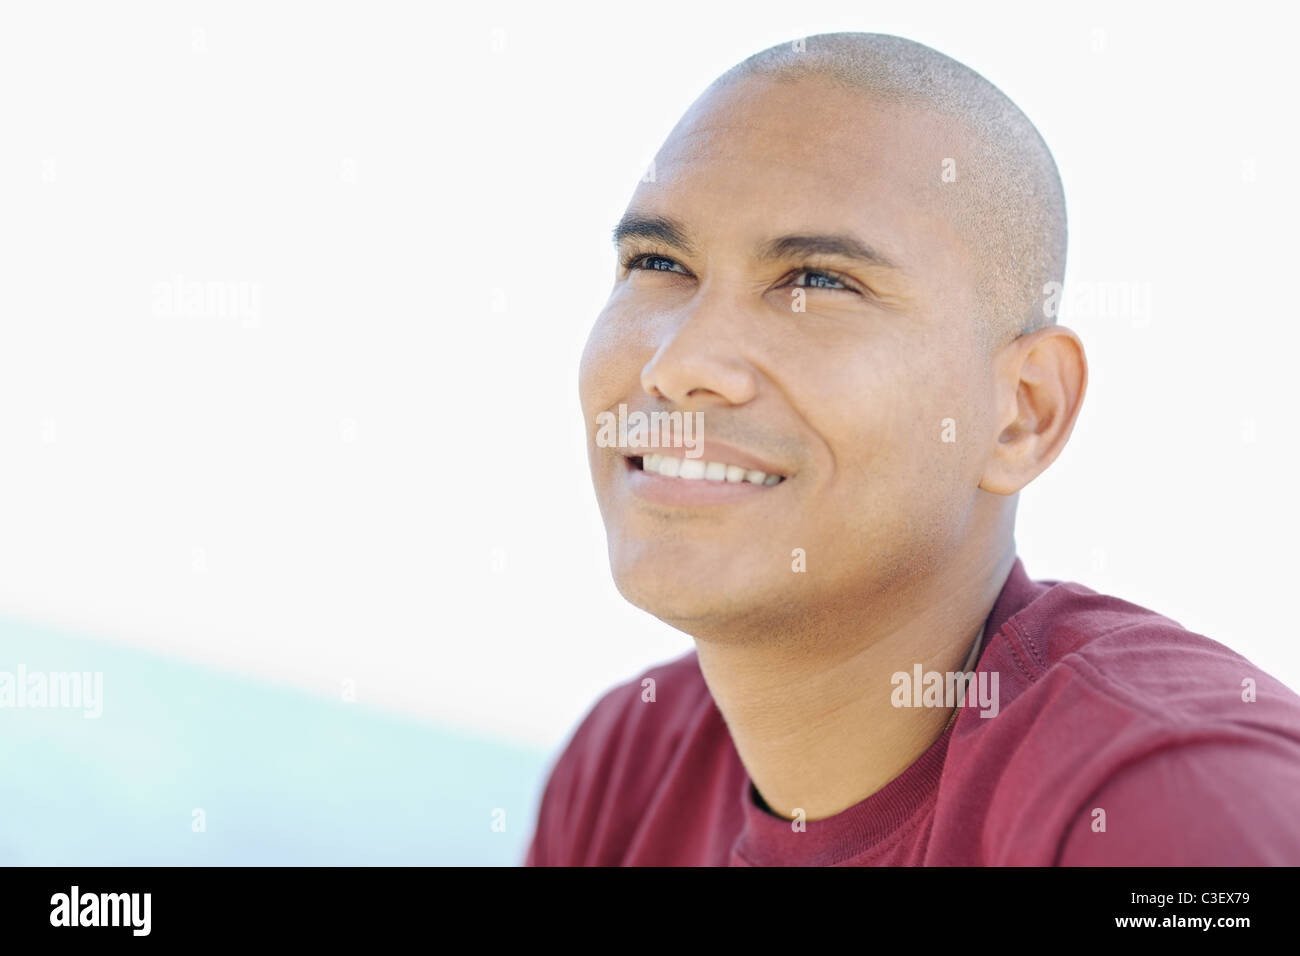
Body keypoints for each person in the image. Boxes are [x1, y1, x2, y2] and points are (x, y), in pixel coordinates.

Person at [526, 32, 1300, 866]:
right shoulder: (625, 771)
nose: (678, 365)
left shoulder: (1174, 804)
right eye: (658, 261)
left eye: (817, 282)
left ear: (1023, 414)